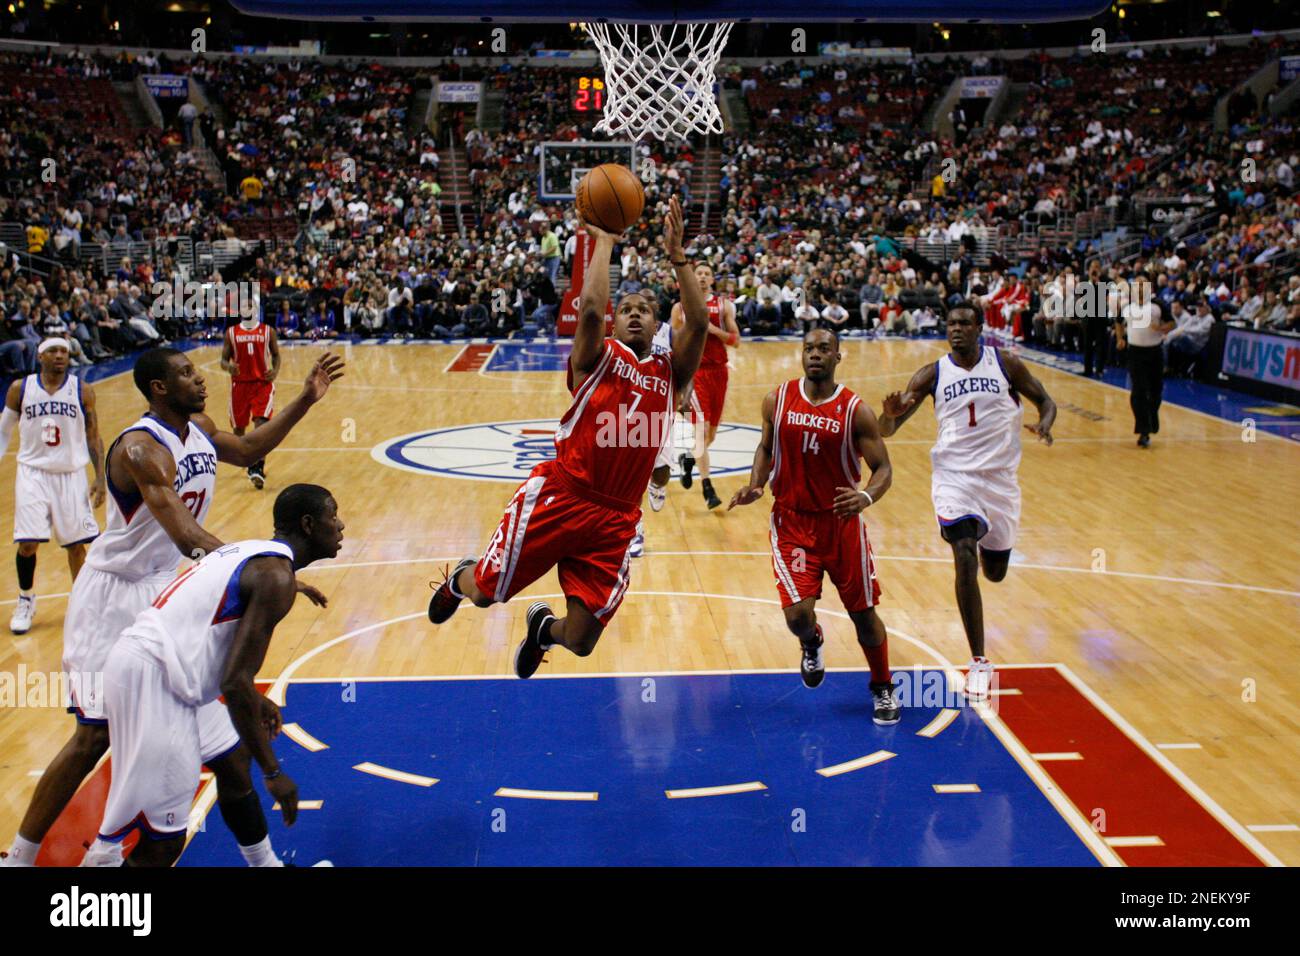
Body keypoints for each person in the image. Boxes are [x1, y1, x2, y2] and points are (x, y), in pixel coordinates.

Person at [1, 348, 343, 868]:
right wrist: (262, 568)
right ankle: (21, 859)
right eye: (186, 373)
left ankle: (266, 864)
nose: (201, 378)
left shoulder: (200, 429)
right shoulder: (141, 450)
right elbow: (187, 537)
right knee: (93, 735)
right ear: (159, 388)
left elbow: (252, 445)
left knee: (230, 755)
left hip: (165, 590)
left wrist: (305, 400)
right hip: (112, 595)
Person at [426, 197, 707, 676]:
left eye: (646, 310)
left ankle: (543, 630)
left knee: (581, 639)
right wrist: (603, 241)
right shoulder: (596, 358)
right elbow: (592, 311)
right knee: (485, 595)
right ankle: (459, 580)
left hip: (616, 518)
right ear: (617, 322)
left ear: (659, 325)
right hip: (562, 497)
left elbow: (698, 324)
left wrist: (678, 259)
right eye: (628, 310)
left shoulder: (671, 372)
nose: (635, 315)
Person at [80, 485, 345, 867]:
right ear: (307, 524)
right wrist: (273, 771)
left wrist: (255, 698)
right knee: (163, 841)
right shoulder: (275, 577)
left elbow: (215, 647)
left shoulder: (253, 553)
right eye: (332, 515)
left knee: (233, 758)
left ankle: (266, 865)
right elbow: (234, 683)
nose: (340, 525)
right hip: (156, 681)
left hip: (155, 667)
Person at [877, 302, 1056, 699]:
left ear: (979, 327)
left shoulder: (1006, 364)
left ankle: (991, 564)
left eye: (963, 323)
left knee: (995, 572)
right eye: (950, 324)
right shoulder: (932, 374)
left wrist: (1044, 424)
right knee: (963, 553)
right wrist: (889, 416)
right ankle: (979, 661)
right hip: (954, 478)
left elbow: (1047, 400)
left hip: (1000, 483)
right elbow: (887, 430)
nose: (955, 330)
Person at [728, 327, 901, 724]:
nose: (816, 354)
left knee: (863, 617)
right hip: (791, 523)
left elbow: (883, 468)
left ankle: (882, 685)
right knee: (797, 618)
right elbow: (766, 447)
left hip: (840, 525)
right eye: (809, 348)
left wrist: (867, 497)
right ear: (801, 354)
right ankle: (813, 641)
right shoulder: (778, 399)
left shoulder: (856, 410)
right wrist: (757, 484)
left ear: (838, 356)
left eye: (825, 349)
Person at [0, 338, 105, 634]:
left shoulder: (82, 390)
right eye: (54, 351)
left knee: (75, 545)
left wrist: (100, 477)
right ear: (41, 355)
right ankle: (26, 599)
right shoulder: (20, 389)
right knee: (28, 542)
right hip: (32, 473)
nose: (60, 356)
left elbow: (94, 434)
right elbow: (3, 431)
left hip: (71, 474)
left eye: (64, 351)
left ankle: (83, 603)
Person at [673, 264, 739, 509]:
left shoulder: (724, 306)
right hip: (695, 373)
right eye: (697, 274)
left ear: (712, 279)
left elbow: (736, 341)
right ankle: (708, 488)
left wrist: (712, 330)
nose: (701, 277)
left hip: (719, 373)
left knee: (710, 435)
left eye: (705, 274)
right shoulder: (681, 307)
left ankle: (688, 459)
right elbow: (675, 343)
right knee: (701, 431)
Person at [221, 305, 281, 489]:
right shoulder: (231, 333)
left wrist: (275, 370)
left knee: (261, 424)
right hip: (239, 386)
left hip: (262, 384)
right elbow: (223, 359)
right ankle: (247, 459)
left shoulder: (268, 331)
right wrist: (228, 366)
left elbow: (277, 355)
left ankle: (257, 467)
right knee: (239, 430)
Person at [1115, 277, 1175, 447]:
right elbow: (1118, 322)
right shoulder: (1127, 305)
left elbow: (1172, 322)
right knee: (1138, 391)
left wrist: (1163, 328)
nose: (1139, 288)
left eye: (1142, 285)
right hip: (1135, 352)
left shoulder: (1158, 305)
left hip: (1154, 352)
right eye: (1137, 285)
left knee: (1155, 391)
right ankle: (1143, 430)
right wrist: (1120, 338)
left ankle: (1152, 415)